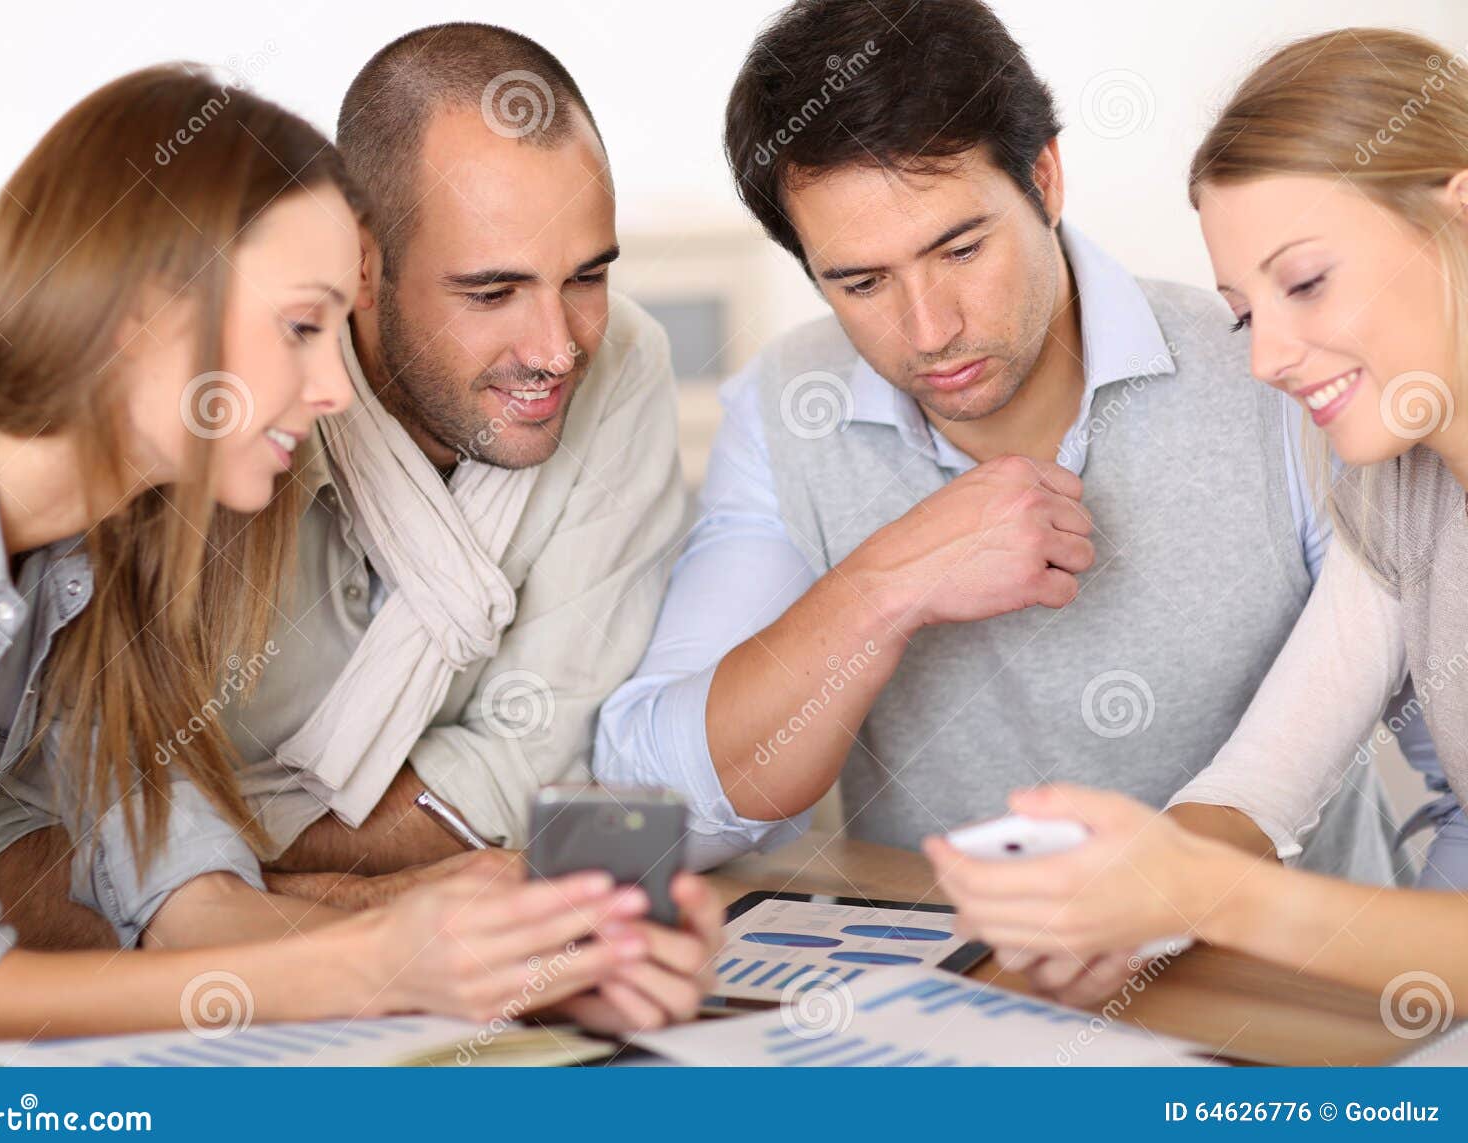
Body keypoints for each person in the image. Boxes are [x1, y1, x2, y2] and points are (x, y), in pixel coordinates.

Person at [0, 64, 706, 1045]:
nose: (334, 390)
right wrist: (373, 959)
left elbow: (186, 900)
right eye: (303, 327)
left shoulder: (94, 550)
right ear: (145, 311)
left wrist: (495, 961)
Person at [595, 0, 1422, 968]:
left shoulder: (1280, 372)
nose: (930, 325)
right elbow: (652, 815)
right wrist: (888, 583)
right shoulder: (787, 407)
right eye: (861, 283)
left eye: (960, 249)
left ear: (1044, 177)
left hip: (1284, 1005)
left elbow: (1444, 779)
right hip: (965, 1015)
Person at [930, 27, 1468, 1002]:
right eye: (1243, 311)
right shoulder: (1403, 489)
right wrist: (1131, 886)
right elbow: (1265, 778)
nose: (1265, 361)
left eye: (1304, 282)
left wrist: (1211, 896)